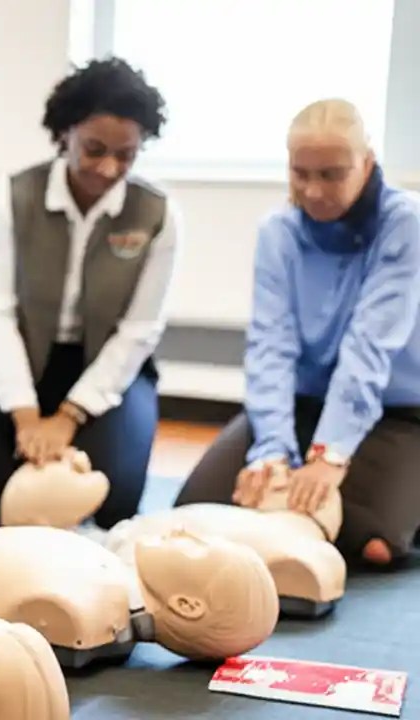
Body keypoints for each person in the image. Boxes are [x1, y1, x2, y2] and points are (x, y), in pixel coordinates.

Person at [0, 57, 183, 530]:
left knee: (111, 499)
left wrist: (67, 417)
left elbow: (138, 332)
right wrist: (25, 416)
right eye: (94, 149)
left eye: (125, 155)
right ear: (65, 132)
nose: (108, 168)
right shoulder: (11, 196)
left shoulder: (157, 214)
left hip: (107, 375)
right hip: (20, 362)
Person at [175, 98, 420, 568]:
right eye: (299, 173)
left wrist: (329, 456)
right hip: (301, 403)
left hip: (395, 411)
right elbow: (270, 347)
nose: (312, 190)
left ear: (366, 165)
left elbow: (369, 345)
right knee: (194, 512)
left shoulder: (403, 223)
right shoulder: (278, 232)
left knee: (373, 547)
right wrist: (272, 450)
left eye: (331, 174)